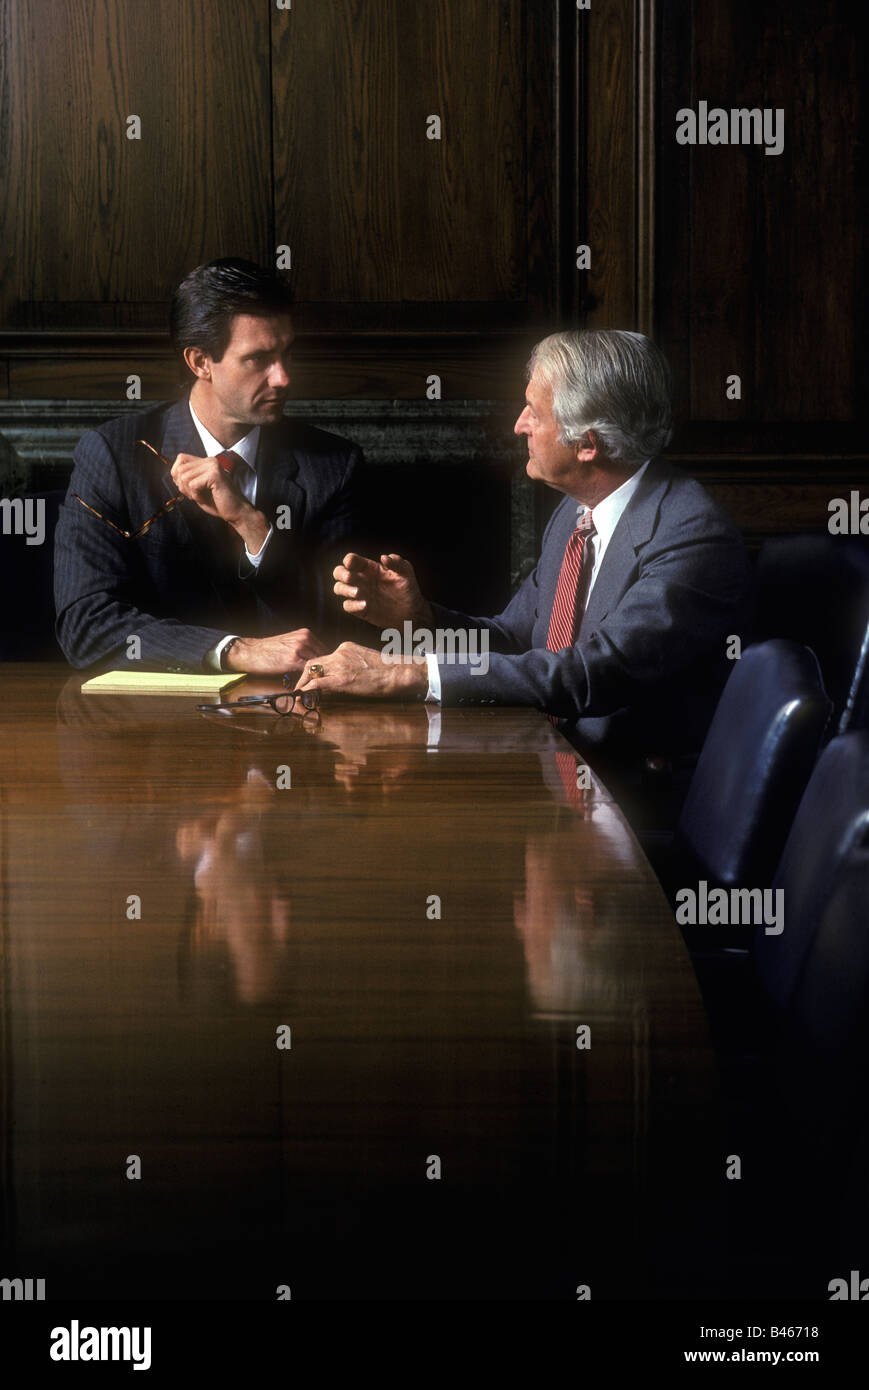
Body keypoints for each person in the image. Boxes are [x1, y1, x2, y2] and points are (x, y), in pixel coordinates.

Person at [298, 329, 754, 790]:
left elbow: (590, 673)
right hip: (556, 768)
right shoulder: (576, 513)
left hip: (635, 794)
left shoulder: (693, 537)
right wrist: (419, 620)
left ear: (588, 445)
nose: (519, 425)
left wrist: (403, 672)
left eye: (533, 412)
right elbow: (515, 640)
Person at [54, 258, 364, 673]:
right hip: (151, 728)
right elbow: (85, 625)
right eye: (258, 359)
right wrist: (236, 649)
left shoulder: (333, 465)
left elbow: (341, 627)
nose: (284, 378)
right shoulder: (112, 454)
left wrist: (251, 524)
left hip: (293, 718)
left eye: (287, 354)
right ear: (200, 363)